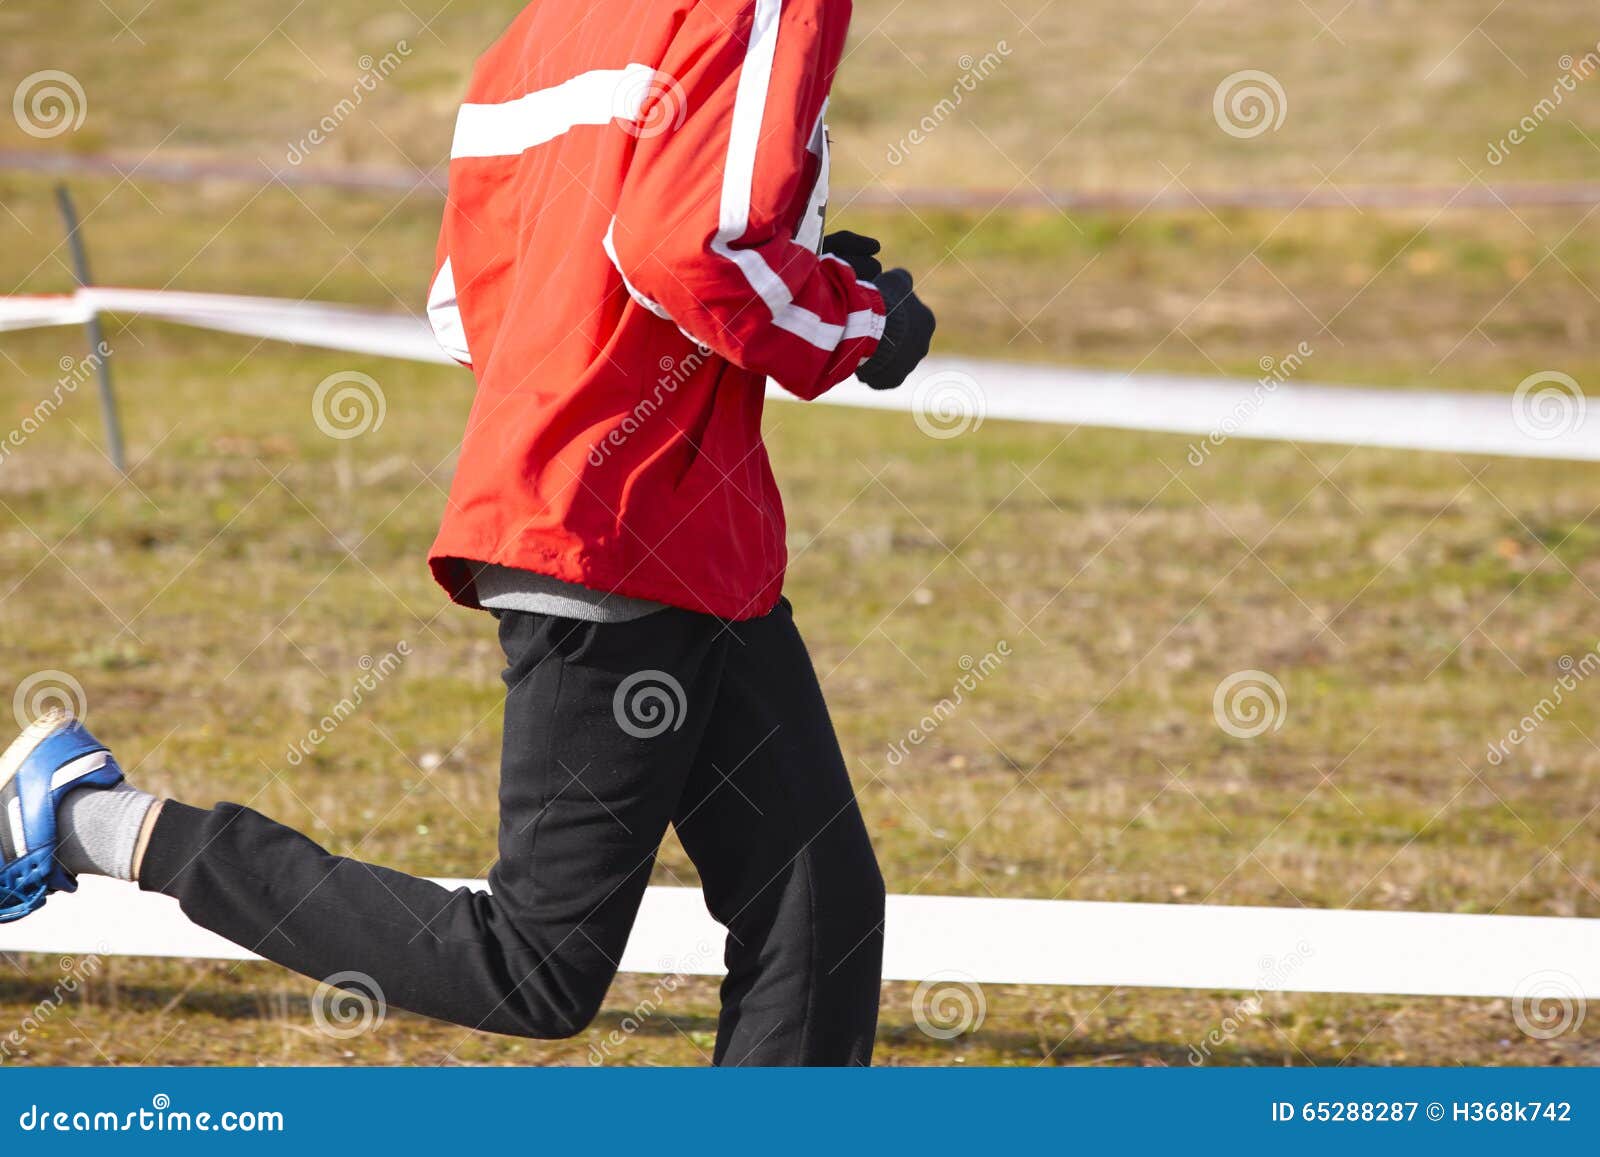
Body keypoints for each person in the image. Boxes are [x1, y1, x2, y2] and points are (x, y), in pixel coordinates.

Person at [0, 0, 935, 1067]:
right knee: (533, 967)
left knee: (818, 906)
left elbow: (468, 303)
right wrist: (855, 321)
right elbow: (689, 249)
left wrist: (794, 271)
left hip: (668, 528)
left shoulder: (540, 31)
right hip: (622, 529)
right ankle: (96, 820)